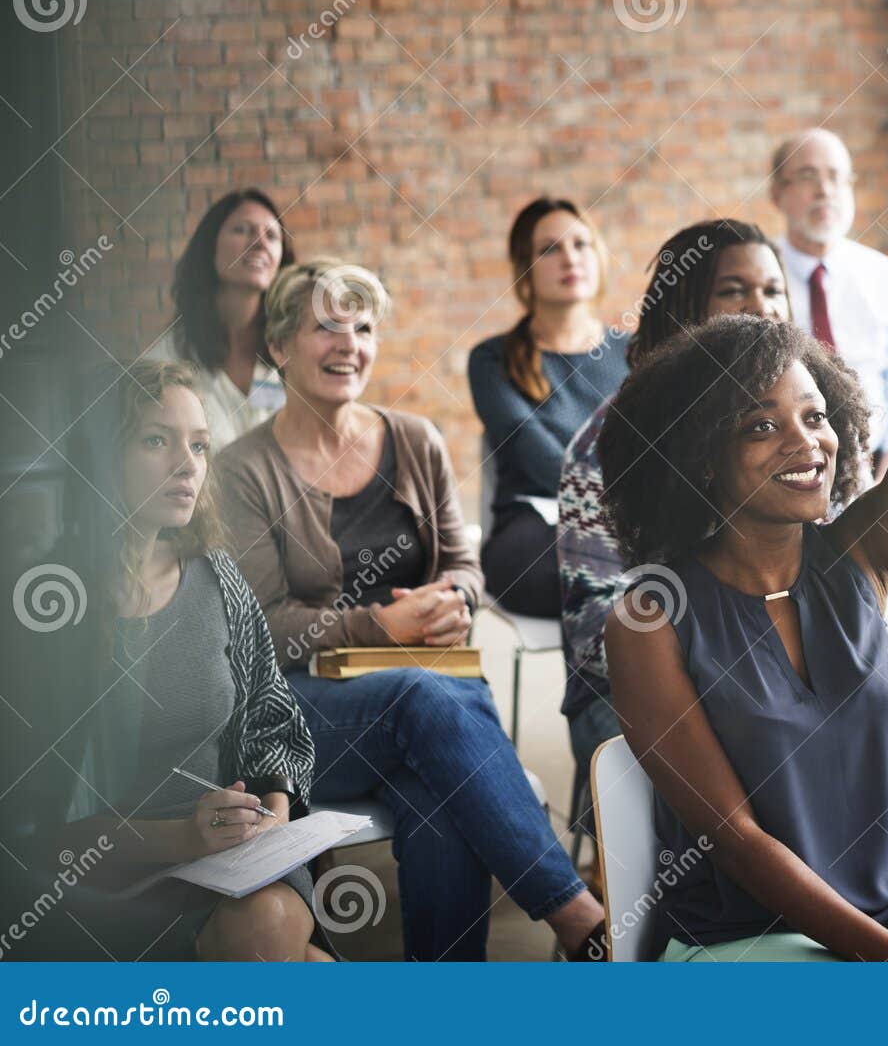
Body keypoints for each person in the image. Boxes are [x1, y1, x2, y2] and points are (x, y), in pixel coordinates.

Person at [598, 118, 888, 961]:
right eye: (761, 427)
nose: (806, 442)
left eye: (816, 417)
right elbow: (738, 842)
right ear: (701, 456)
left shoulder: (859, 557)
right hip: (748, 936)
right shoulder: (649, 619)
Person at [558, 219, 888, 863]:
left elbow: (859, 554)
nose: (760, 307)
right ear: (680, 312)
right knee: (771, 807)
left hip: (815, 659)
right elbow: (598, 626)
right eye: (734, 291)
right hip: (661, 678)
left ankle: (867, 897)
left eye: (773, 290)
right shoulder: (611, 445)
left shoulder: (808, 423)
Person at [215, 258, 606, 961]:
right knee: (423, 700)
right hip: (304, 717)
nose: (350, 344)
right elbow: (259, 627)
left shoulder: (416, 440)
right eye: (326, 328)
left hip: (428, 702)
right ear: (278, 346)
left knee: (438, 794)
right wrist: (378, 625)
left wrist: (454, 600)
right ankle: (578, 916)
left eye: (363, 327)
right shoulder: (243, 470)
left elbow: (464, 565)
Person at [2, 360, 323, 961]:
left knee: (271, 922)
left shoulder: (217, 574)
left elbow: (273, 719)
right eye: (156, 440)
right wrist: (182, 837)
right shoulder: (49, 603)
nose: (188, 466)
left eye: (199, 445)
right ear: (101, 456)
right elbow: (32, 827)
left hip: (232, 862)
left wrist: (272, 819)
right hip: (110, 884)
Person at [469, 198, 628, 617]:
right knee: (594, 571)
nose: (569, 258)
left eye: (581, 244)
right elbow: (532, 452)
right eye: (549, 249)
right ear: (524, 267)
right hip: (533, 529)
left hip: (627, 520)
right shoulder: (491, 358)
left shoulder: (636, 350)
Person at [769, 127, 888, 462]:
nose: (824, 190)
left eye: (837, 177)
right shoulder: (758, 275)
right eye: (807, 176)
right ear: (777, 193)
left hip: (873, 470)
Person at [147, 190, 292, 450]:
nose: (259, 243)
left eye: (271, 235)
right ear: (210, 247)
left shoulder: (294, 353)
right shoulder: (166, 358)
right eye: (242, 229)